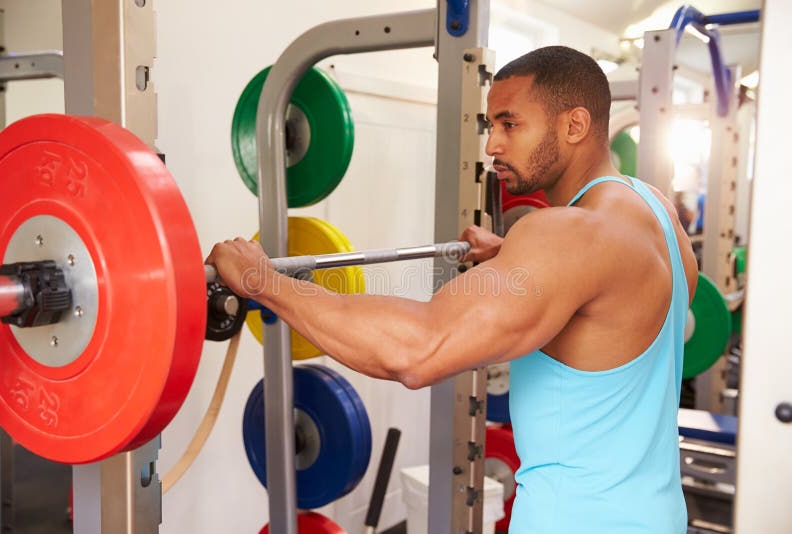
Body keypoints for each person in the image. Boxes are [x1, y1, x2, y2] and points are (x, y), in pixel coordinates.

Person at [206, 46, 697, 533]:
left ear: (574, 125)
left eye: (510, 124)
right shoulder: (654, 212)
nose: (492, 146)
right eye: (491, 127)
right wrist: (511, 255)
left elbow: (417, 351)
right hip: (657, 515)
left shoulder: (567, 237)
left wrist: (262, 281)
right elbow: (611, 309)